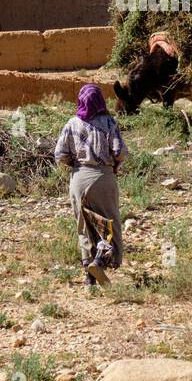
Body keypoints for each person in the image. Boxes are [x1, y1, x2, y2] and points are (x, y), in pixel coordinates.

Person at [53, 83, 128, 286]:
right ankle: (100, 261)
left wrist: (75, 166)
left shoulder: (71, 123)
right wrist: (115, 165)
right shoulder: (109, 122)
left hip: (78, 179)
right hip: (103, 178)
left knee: (84, 225)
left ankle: (89, 277)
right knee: (108, 223)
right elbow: (120, 152)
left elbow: (59, 155)